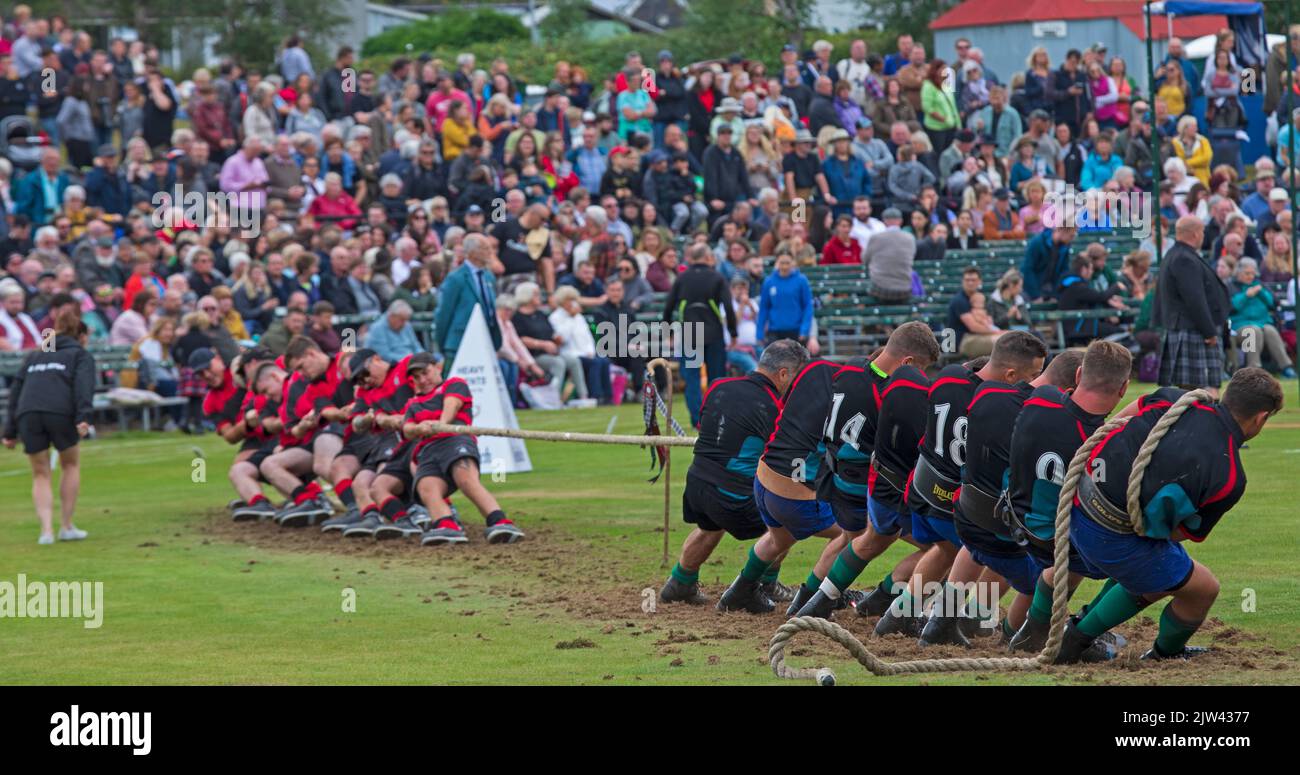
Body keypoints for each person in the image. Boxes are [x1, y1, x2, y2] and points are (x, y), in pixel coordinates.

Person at [1060, 369, 1283, 663]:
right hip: (1104, 536)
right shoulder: (1230, 478)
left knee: (1166, 564)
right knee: (1202, 589)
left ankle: (1080, 629)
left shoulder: (1173, 399)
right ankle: (1157, 652)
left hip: (1074, 507)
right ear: (1261, 418)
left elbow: (1116, 425)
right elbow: (1176, 533)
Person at [873, 331, 1046, 636]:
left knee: (944, 551)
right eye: (1032, 376)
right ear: (1010, 374)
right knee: (1003, 547)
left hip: (922, 493)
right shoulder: (999, 407)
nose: (1032, 384)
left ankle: (898, 616)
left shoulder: (948, 376)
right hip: (952, 504)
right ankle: (971, 617)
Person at [913, 348, 1087, 645]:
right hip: (1003, 532)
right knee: (1057, 571)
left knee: (977, 545)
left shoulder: (989, 393)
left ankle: (943, 622)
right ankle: (1017, 637)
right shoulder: (1043, 418)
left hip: (966, 518)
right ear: (1071, 388)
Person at [789, 323, 943, 618]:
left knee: (851, 539)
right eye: (921, 369)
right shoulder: (892, 394)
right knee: (941, 547)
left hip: (836, 477)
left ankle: (806, 600)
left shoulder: (851, 368)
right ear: (908, 363)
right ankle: (883, 600)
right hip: (865, 485)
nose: (921, 377)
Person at [402, 355, 524, 545]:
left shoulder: (454, 383)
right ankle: (446, 525)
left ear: (437, 367)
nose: (422, 380)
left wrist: (441, 424)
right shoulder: (412, 403)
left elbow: (452, 404)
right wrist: (419, 428)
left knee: (465, 478)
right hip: (428, 449)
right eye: (417, 377)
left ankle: (499, 521)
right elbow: (407, 428)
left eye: (425, 373)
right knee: (427, 488)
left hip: (455, 439)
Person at [2, 317, 95, 544]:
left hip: (28, 412)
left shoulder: (34, 355)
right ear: (81, 336)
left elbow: (16, 391)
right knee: (70, 464)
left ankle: (46, 532)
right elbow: (84, 386)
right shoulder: (79, 354)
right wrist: (84, 417)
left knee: (40, 473)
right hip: (60, 412)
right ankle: (66, 526)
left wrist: (9, 431)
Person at [662, 244, 737, 427]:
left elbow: (668, 308)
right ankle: (716, 417)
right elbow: (728, 306)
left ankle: (698, 420)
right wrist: (733, 333)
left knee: (692, 380)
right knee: (717, 379)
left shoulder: (682, 278)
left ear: (691, 258)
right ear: (708, 257)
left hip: (689, 334)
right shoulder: (717, 277)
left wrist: (669, 332)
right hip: (713, 334)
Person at [1155, 216, 1230, 396]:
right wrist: (1209, 331)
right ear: (1196, 234)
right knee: (1206, 387)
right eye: (1202, 232)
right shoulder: (1184, 259)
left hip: (1187, 328)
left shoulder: (1175, 255)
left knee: (1187, 390)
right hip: (1193, 329)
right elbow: (1194, 298)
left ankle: (1191, 423)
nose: (1203, 236)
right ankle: (1208, 423)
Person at [435, 234, 501, 367]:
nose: (490, 252)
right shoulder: (455, 278)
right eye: (485, 248)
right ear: (472, 252)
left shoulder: (489, 277)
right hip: (460, 343)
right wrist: (443, 343)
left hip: (485, 341)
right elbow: (444, 313)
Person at [1230, 258, 1297, 377]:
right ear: (1239, 273)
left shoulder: (1260, 285)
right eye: (1247, 273)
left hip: (1262, 323)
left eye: (1253, 273)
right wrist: (1246, 295)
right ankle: (1253, 369)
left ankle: (1286, 367)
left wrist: (1261, 292)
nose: (1250, 276)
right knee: (1252, 331)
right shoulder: (1232, 286)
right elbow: (1231, 307)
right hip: (1240, 326)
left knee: (1270, 330)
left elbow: (1273, 303)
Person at [863, 207, 915, 303]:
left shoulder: (876, 238)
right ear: (900, 221)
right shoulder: (910, 238)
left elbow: (865, 260)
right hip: (904, 290)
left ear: (884, 221)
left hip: (880, 289)